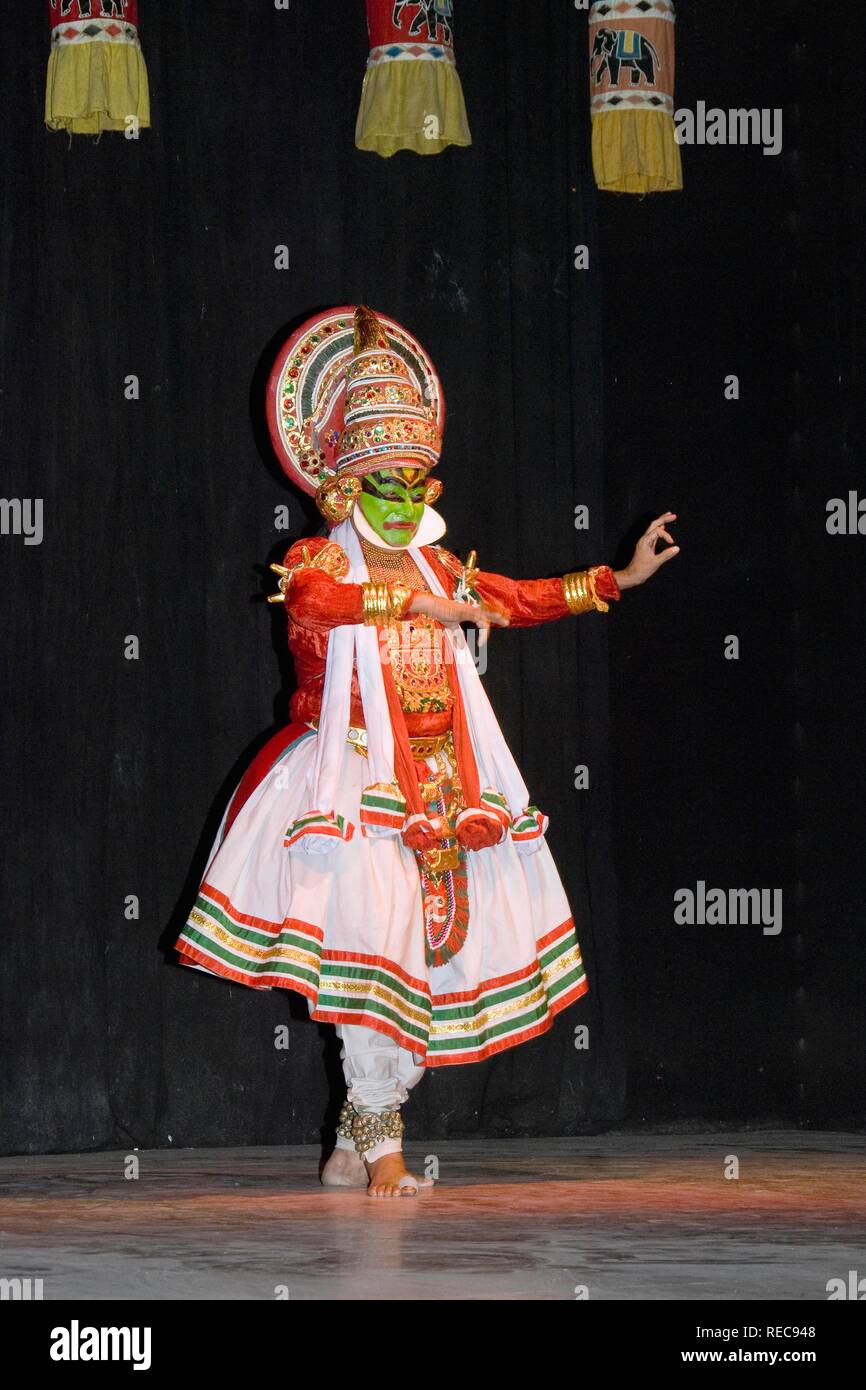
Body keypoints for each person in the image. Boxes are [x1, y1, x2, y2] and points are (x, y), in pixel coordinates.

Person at [175, 305, 679, 1197]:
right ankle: (382, 1148)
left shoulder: (442, 570)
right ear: (343, 487)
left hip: (446, 784)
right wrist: (414, 608)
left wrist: (616, 578)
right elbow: (318, 613)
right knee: (377, 961)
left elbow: (516, 599)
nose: (404, 500)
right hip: (349, 785)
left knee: (430, 962)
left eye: (417, 483)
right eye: (386, 484)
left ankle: (352, 1137)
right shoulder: (317, 565)